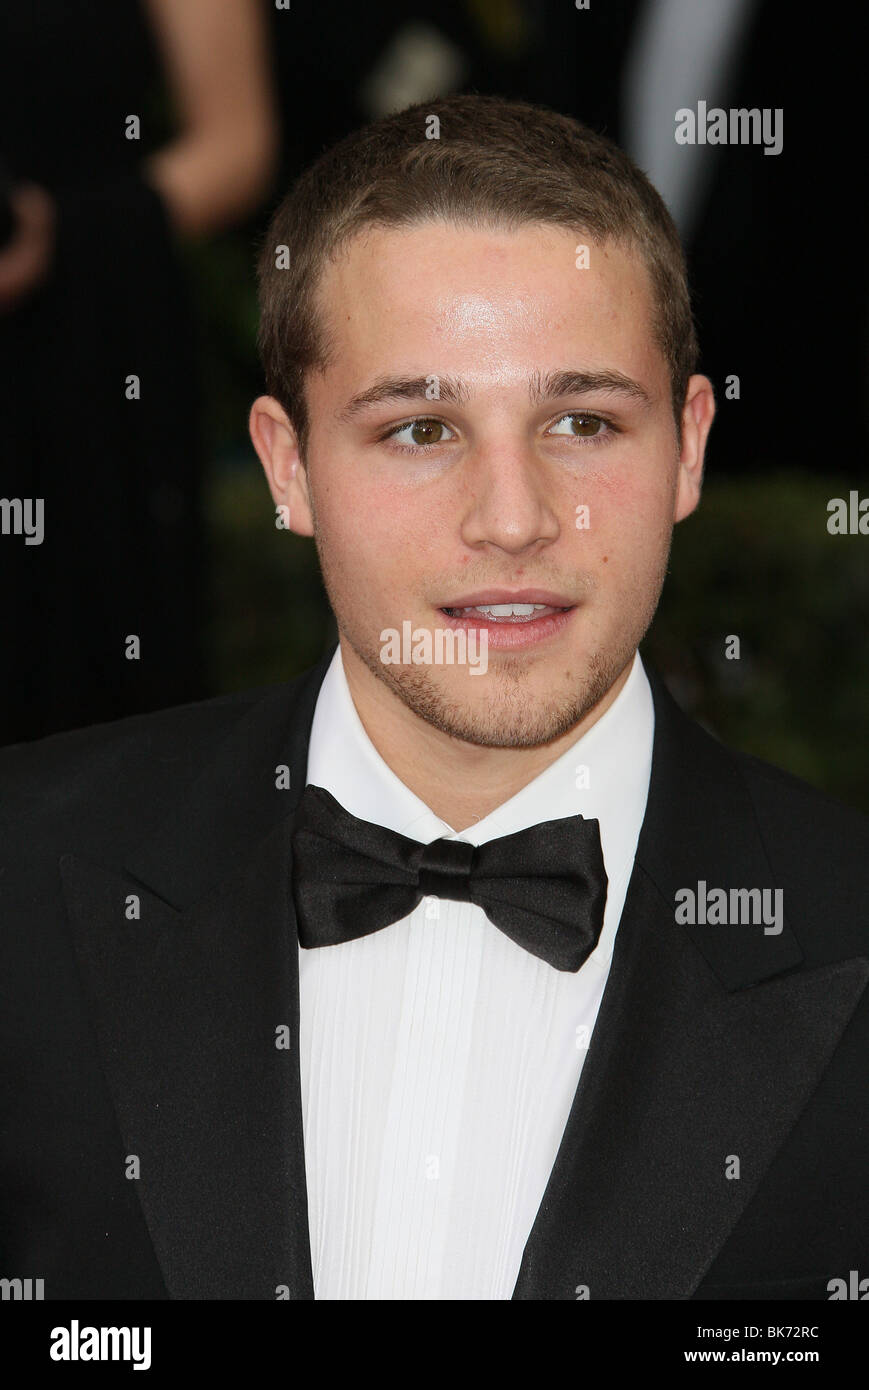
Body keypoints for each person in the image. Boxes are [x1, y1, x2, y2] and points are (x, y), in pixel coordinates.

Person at [1, 94, 866, 1302]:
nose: (509, 517)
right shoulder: (25, 878)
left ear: (686, 446)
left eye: (580, 420)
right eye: (419, 428)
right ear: (286, 465)